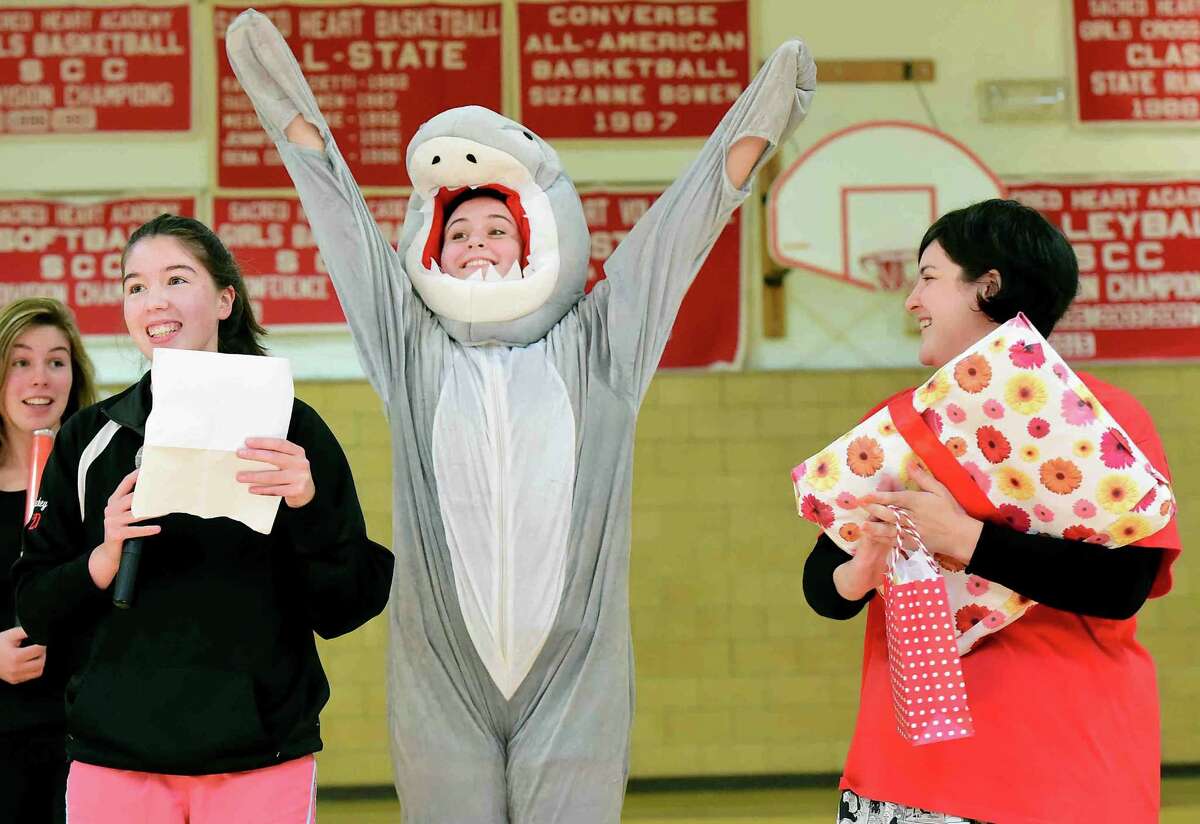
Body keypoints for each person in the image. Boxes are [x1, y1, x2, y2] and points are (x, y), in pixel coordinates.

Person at [226, 10, 815, 822]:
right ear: (430, 247)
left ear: (537, 235)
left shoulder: (601, 348)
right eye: (458, 230)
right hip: (441, 673)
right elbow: (346, 231)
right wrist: (291, 118)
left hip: (575, 674)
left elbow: (674, 238)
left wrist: (754, 128)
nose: (475, 244)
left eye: (497, 229)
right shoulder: (411, 351)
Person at [803, 199, 1181, 824]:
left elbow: (1122, 587)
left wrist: (966, 539)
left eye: (929, 277)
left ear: (988, 286)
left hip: (1067, 774)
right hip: (908, 773)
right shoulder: (899, 425)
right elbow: (823, 586)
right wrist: (861, 568)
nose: (912, 301)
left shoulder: (1106, 420)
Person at [13, 215, 394, 824]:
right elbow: (35, 606)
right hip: (115, 761)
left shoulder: (293, 431)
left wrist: (309, 507)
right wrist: (101, 560)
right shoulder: (88, 438)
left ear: (224, 300)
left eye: (176, 279)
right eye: (135, 286)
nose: (154, 301)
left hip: (261, 759)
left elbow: (347, 606)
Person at [0, 297, 96, 824]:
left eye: (56, 361)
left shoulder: (97, 481)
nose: (40, 378)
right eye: (21, 361)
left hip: (83, 738)